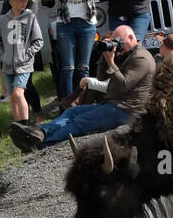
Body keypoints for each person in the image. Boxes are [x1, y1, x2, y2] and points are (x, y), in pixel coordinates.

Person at [9, 25, 154, 152]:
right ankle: (40, 132)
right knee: (73, 111)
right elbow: (103, 78)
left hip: (126, 111)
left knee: (80, 121)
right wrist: (104, 57)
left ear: (131, 37)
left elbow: (123, 86)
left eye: (119, 42)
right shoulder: (127, 54)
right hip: (114, 105)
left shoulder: (141, 59)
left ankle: (38, 145)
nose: (118, 46)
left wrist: (111, 62)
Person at [46, 0, 101, 98]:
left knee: (83, 67)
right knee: (67, 67)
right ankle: (67, 104)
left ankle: (82, 101)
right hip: (66, 24)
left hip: (86, 24)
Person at [0, 0, 44, 123]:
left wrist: (27, 55)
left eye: (25, 0)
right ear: (11, 1)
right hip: (7, 65)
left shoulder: (30, 17)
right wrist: (2, 56)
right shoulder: (2, 20)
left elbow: (39, 41)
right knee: (12, 96)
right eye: (19, 0)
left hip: (24, 65)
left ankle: (25, 123)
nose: (23, 2)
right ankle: (18, 126)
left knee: (18, 93)